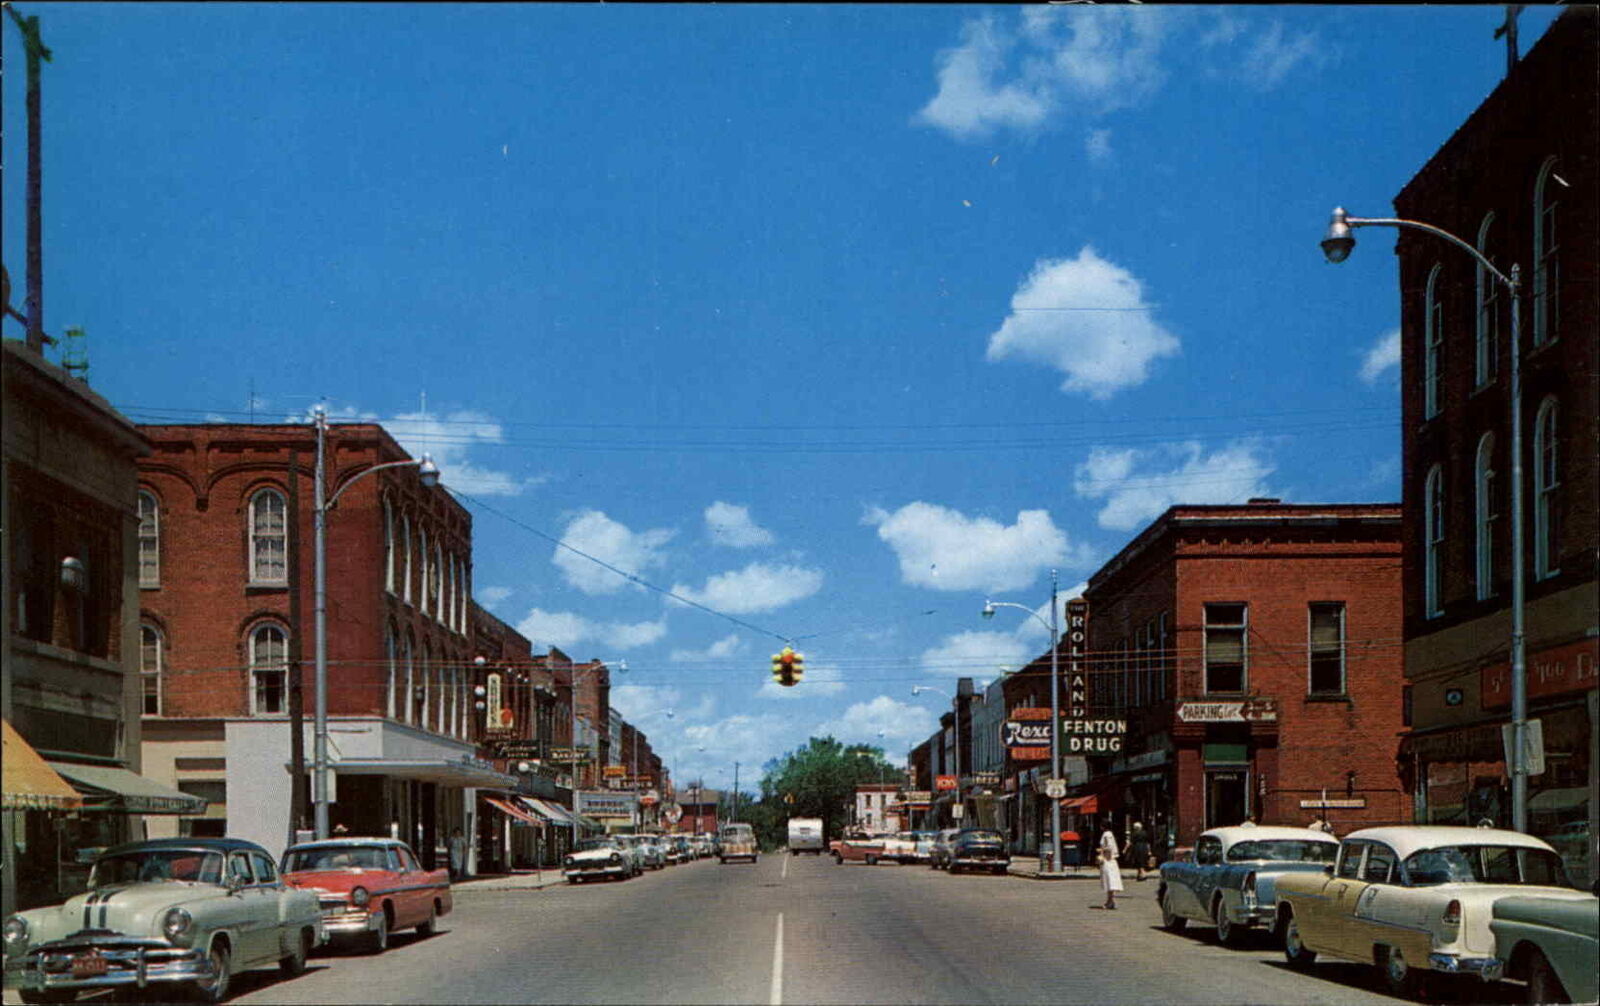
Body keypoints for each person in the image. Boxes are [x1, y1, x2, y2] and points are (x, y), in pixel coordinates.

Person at [1097, 824, 1123, 909]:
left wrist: (1101, 851)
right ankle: (1110, 901)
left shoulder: (1106, 835)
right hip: (1111, 860)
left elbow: (1109, 846)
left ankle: (1110, 901)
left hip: (1108, 860)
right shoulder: (1110, 834)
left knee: (1109, 880)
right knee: (1110, 881)